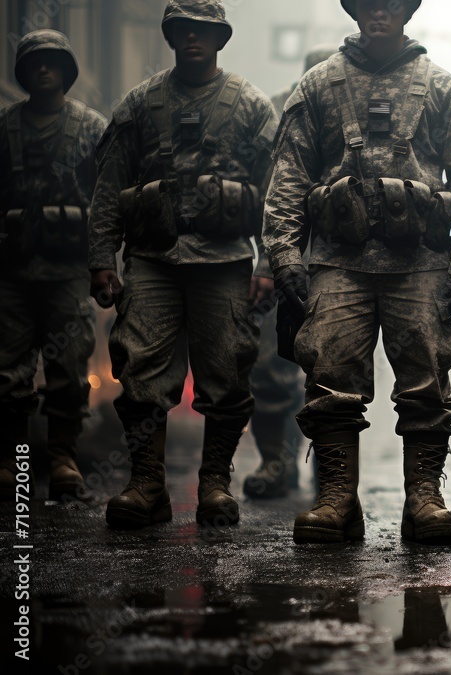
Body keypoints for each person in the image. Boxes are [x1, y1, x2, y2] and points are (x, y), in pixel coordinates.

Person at [264, 0, 451, 545]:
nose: (379, 13)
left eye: (390, 4)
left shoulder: (441, 87)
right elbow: (289, 178)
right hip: (337, 262)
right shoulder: (318, 87)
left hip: (418, 263)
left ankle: (425, 500)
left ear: (407, 12)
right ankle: (337, 500)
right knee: (329, 376)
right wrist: (285, 256)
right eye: (369, 4)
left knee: (426, 380)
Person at [89, 0, 279, 529]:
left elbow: (275, 192)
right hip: (153, 260)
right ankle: (146, 484)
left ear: (220, 38)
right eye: (183, 30)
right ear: (171, 36)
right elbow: (110, 186)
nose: (193, 38)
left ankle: (215, 484)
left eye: (204, 31)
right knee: (141, 369)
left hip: (224, 262)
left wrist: (269, 265)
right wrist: (102, 258)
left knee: (226, 372)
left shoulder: (250, 106)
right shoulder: (139, 104)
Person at [0, 30, 106, 502]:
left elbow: (106, 203)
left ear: (66, 70)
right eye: (34, 63)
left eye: (52, 62)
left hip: (67, 273)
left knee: (67, 369)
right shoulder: (4, 127)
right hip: (12, 273)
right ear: (22, 73)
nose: (43, 70)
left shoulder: (90, 128)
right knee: (7, 373)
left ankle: (64, 460)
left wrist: (105, 263)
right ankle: (10, 463)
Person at [243, 45, 337, 501]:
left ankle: (332, 473)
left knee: (332, 372)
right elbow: (263, 194)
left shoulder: (354, 111)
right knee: (270, 369)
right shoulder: (278, 114)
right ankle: (276, 464)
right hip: (279, 260)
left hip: (338, 263)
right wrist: (264, 263)